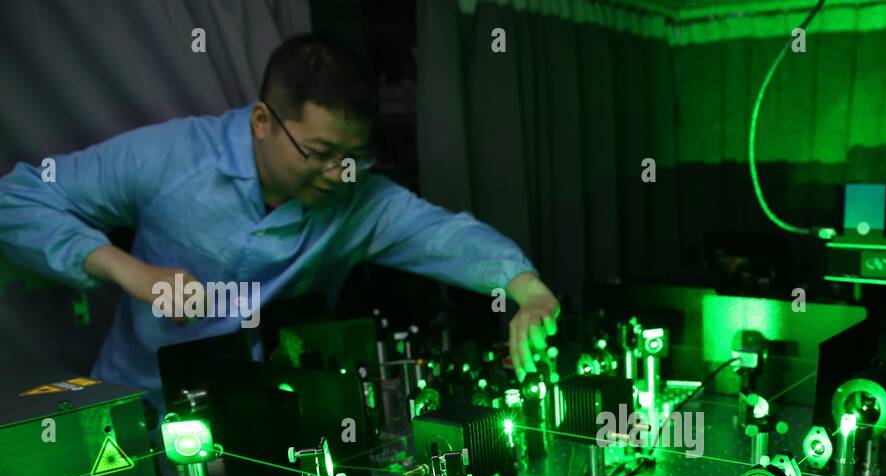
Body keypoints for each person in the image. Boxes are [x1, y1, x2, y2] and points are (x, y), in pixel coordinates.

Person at [0, 32, 559, 396]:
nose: (336, 174)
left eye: (353, 157)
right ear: (263, 121)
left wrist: (528, 290)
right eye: (318, 154)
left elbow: (445, 235)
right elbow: (16, 200)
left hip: (259, 419)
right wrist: (131, 272)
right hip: (134, 407)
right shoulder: (172, 156)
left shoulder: (355, 197)